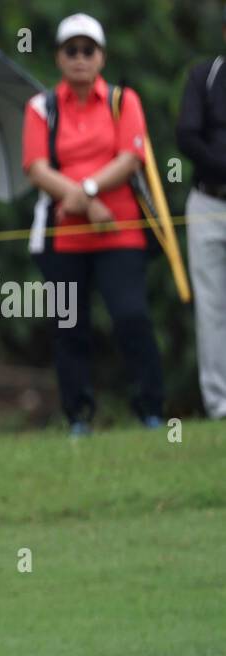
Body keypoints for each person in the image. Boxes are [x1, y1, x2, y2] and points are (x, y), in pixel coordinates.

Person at [23, 13, 164, 436]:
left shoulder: (124, 101)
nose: (80, 58)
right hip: (65, 237)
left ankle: (150, 409)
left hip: (119, 229)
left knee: (130, 315)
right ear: (59, 58)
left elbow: (130, 158)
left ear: (101, 57)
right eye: (72, 50)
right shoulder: (41, 107)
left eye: (88, 50)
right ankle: (78, 416)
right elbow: (36, 168)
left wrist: (83, 190)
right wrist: (87, 205)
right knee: (69, 326)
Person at [176, 8, 226, 420]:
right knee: (211, 306)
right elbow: (187, 136)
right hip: (208, 202)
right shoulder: (204, 75)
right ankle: (219, 404)